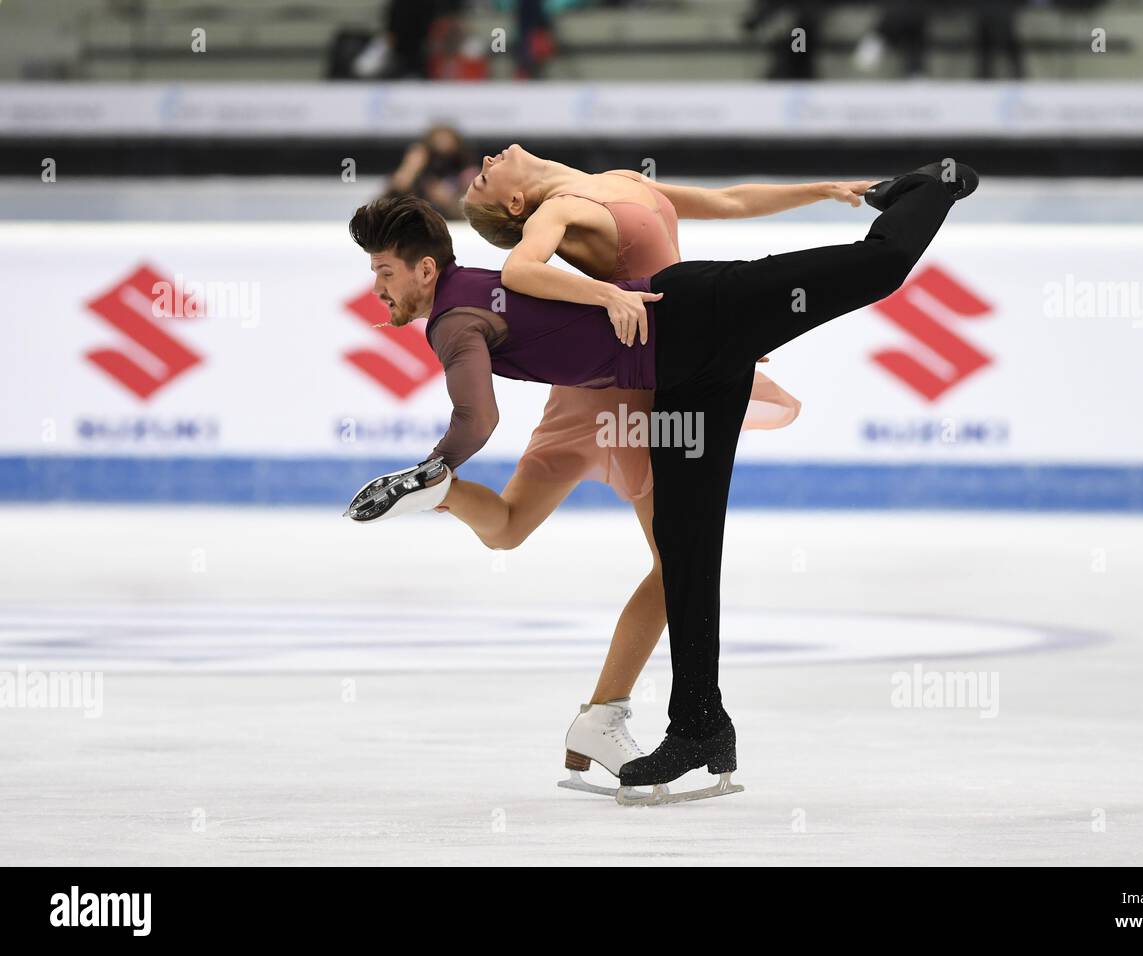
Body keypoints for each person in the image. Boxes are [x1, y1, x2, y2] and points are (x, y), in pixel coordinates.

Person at [345, 158, 977, 803]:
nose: (376, 288)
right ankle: (700, 724)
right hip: (678, 375)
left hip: (698, 312)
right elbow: (503, 346)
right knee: (684, 545)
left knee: (876, 266)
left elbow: (478, 416)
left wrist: (432, 470)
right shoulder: (486, 277)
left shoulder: (463, 309)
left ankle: (933, 185)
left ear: (425, 268)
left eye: (383, 272)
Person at [451, 145, 874, 793]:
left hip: (592, 386)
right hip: (635, 390)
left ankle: (439, 488)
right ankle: (604, 713)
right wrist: (604, 295)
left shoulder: (617, 182)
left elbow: (730, 201)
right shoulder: (560, 208)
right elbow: (519, 271)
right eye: (486, 175)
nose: (487, 156)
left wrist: (819, 187)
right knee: (678, 562)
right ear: (515, 201)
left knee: (508, 526)